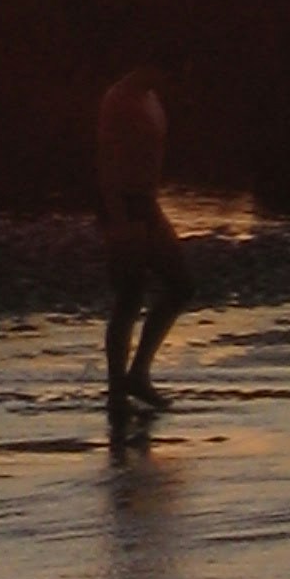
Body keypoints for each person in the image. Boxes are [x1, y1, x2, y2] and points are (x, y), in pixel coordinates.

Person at [96, 59, 193, 416]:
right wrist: (119, 221)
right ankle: (117, 391)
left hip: (147, 202)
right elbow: (106, 162)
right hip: (123, 204)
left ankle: (137, 374)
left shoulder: (150, 97)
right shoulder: (118, 100)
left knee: (181, 286)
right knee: (129, 295)